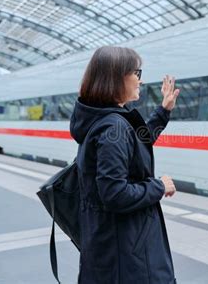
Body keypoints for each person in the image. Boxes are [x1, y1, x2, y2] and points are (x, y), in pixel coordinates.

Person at [69, 46, 180, 283]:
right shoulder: (113, 126)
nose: (140, 80)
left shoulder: (103, 119)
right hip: (127, 254)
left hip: (110, 246)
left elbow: (137, 140)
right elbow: (115, 193)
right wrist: (159, 187)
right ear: (117, 78)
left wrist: (163, 111)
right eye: (136, 73)